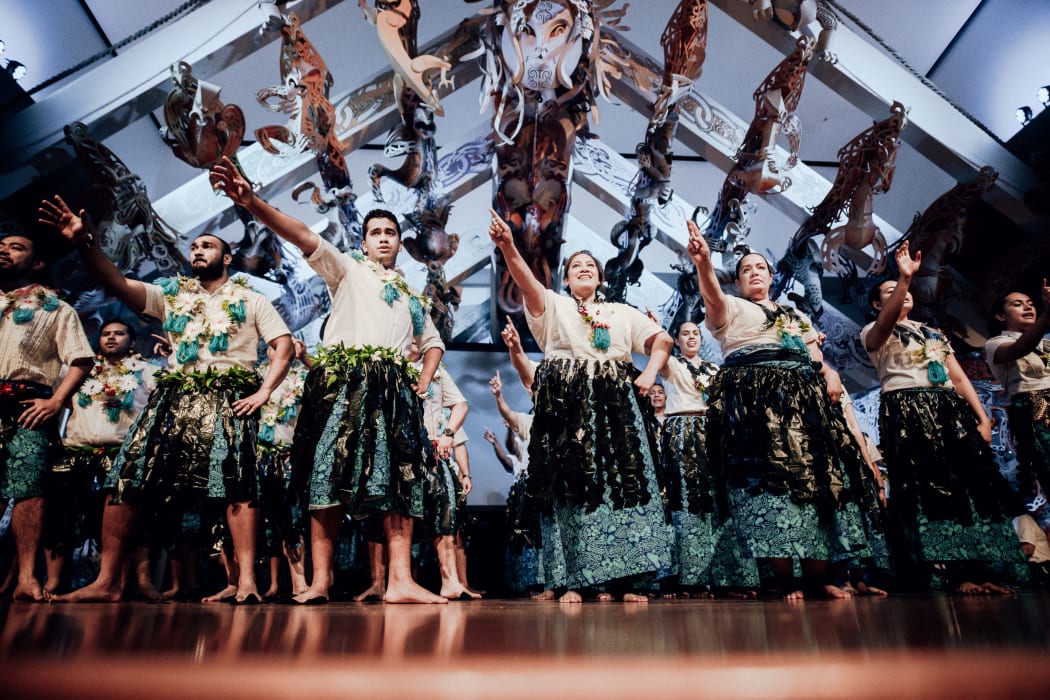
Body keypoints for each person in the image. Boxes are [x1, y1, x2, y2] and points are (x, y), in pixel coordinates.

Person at [210, 157, 446, 604]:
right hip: (343, 387)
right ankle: (321, 581)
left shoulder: (414, 296)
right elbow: (301, 234)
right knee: (326, 477)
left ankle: (400, 581)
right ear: (364, 241)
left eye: (389, 233)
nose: (382, 238)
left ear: (400, 243)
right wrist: (252, 203)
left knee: (399, 479)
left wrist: (421, 383)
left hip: (393, 391)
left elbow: (432, 343)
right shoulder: (347, 270)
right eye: (375, 232)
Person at [39, 195, 293, 604]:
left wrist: (263, 391)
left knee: (236, 484)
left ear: (227, 259)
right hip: (175, 395)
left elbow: (282, 346)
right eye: (194, 246)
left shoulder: (251, 299)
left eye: (207, 246)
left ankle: (246, 580)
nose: (197, 250)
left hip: (230, 394)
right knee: (128, 475)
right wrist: (84, 243)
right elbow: (117, 283)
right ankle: (107, 581)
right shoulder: (171, 296)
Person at [489, 209, 676, 603]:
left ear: (600, 277)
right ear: (566, 277)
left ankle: (626, 581)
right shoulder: (553, 306)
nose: (584, 269)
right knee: (572, 487)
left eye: (591, 265)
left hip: (616, 404)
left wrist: (649, 373)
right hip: (567, 402)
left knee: (621, 485)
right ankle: (576, 579)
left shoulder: (622, 312)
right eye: (576, 265)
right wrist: (508, 245)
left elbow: (662, 341)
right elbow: (526, 281)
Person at [687, 220, 876, 599]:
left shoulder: (796, 315)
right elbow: (711, 298)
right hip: (755, 403)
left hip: (804, 401)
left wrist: (829, 371)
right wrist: (704, 264)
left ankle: (819, 577)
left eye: (760, 267)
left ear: (771, 277)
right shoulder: (733, 308)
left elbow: (816, 355)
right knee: (769, 484)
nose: (754, 273)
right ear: (738, 282)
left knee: (814, 481)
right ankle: (784, 579)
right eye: (745, 270)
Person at [862, 242, 1027, 593]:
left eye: (902, 291)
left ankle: (985, 568)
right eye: (889, 293)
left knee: (971, 487)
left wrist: (982, 419)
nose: (899, 296)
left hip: (948, 410)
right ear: (878, 304)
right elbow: (886, 323)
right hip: (907, 412)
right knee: (928, 490)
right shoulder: (874, 332)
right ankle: (950, 572)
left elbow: (958, 377)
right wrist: (904, 278)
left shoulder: (932, 333)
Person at [0, 233, 94, 601]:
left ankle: (26, 577)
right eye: (1, 245)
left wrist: (56, 401)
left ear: (38, 263)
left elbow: (81, 360)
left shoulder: (55, 307)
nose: (4, 250)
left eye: (17, 246)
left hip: (28, 406)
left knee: (28, 490)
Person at [43, 319, 160, 598]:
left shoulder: (148, 371)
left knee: (134, 522)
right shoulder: (77, 373)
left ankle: (139, 582)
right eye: (106, 334)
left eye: (119, 333)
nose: (110, 338)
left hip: (123, 454)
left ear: (131, 341)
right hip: (77, 451)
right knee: (61, 516)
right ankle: (53, 582)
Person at [658, 321, 758, 597]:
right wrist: (660, 333)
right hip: (684, 431)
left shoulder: (714, 370)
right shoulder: (670, 365)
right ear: (677, 340)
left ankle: (730, 578)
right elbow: (658, 350)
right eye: (685, 334)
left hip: (715, 433)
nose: (691, 338)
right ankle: (693, 579)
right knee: (691, 503)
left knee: (721, 503)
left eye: (695, 334)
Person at [256, 338, 311, 602]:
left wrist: (303, 358)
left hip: (290, 458)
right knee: (261, 525)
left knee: (293, 522)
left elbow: (326, 378)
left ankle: (299, 582)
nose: (279, 349)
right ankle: (246, 583)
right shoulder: (255, 376)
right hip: (258, 457)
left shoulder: (304, 378)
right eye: (274, 345)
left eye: (287, 345)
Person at [985, 281, 1050, 503]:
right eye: (1018, 304)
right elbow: (1019, 349)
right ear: (1001, 317)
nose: (1028, 307)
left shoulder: (1047, 340)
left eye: (1031, 303)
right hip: (1035, 409)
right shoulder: (996, 343)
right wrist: (1047, 316)